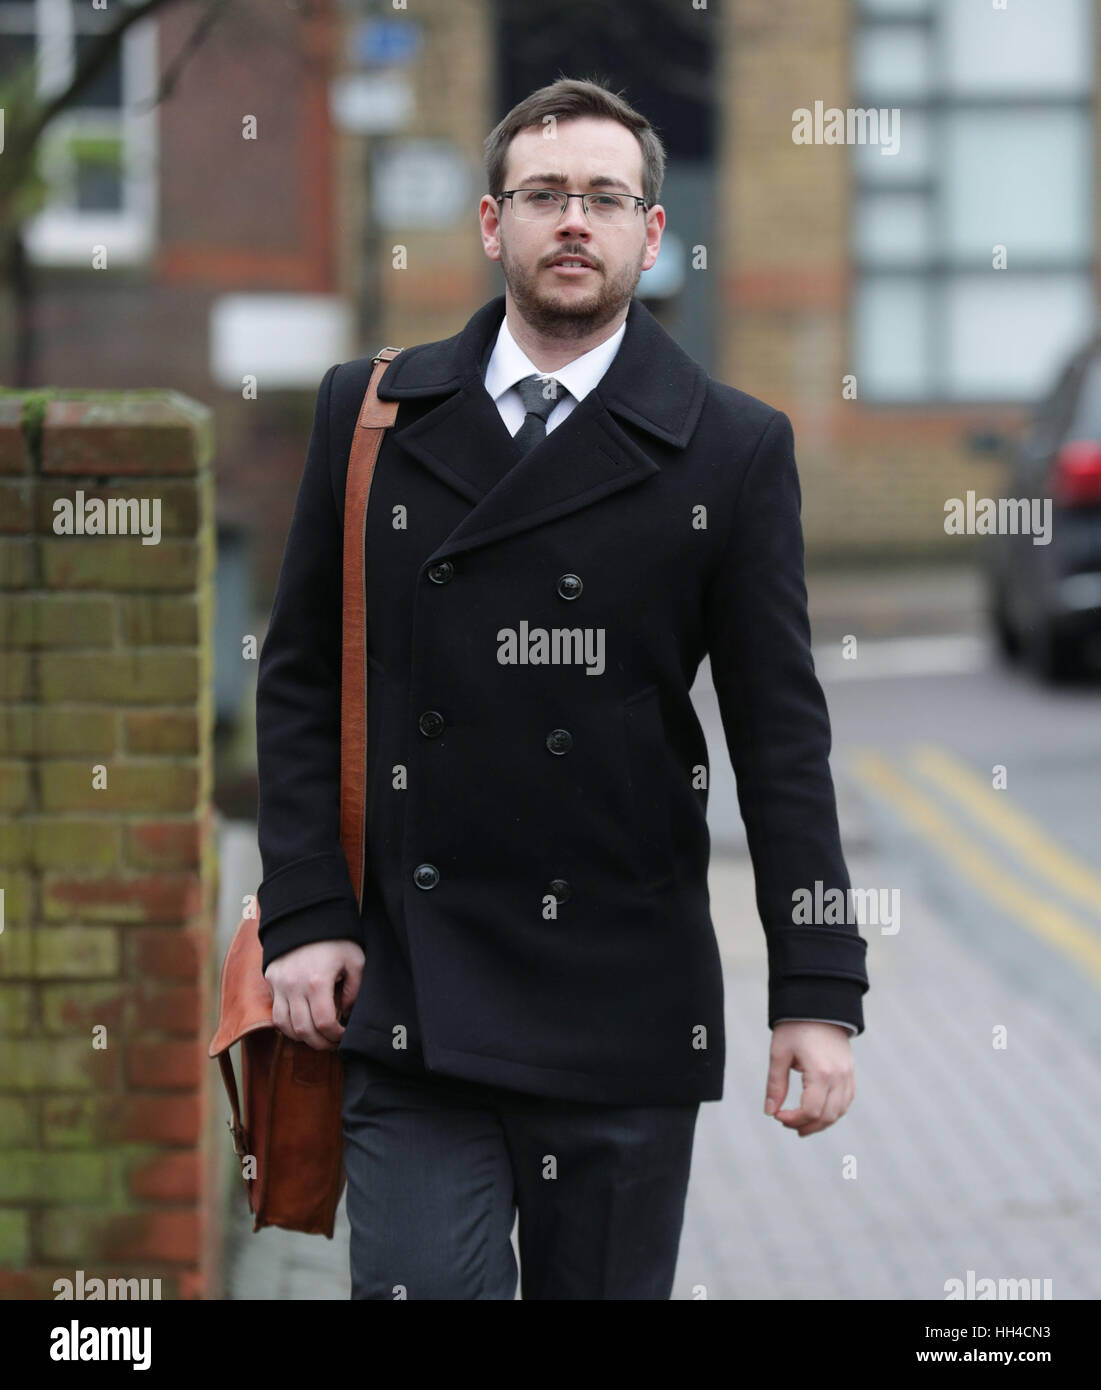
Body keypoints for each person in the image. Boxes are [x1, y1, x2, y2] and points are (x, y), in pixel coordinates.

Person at [255, 76, 870, 1300]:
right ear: (494, 225)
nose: (573, 221)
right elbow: (301, 680)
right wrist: (307, 911)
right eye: (544, 195)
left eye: (605, 197)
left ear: (652, 231)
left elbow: (780, 734)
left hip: (623, 1006)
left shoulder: (732, 449)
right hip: (415, 991)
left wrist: (818, 985)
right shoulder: (370, 414)